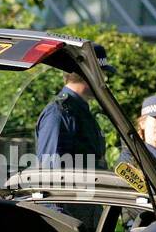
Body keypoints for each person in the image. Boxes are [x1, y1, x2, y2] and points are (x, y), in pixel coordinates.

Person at [35, 43, 116, 171]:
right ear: (89, 74)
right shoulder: (58, 113)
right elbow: (49, 172)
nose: (104, 79)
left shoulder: (76, 109)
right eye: (102, 73)